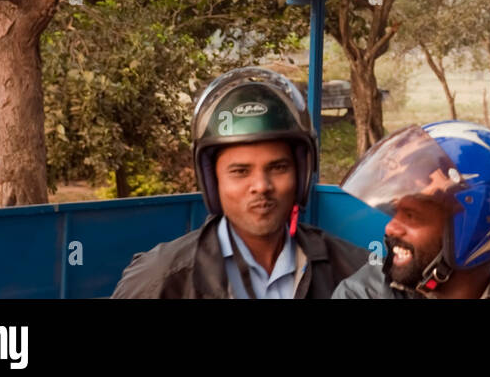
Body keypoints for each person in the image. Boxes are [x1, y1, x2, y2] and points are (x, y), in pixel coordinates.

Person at [112, 66, 367, 298]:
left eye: (278, 167)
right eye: (240, 171)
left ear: (301, 175)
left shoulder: (355, 270)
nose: (261, 186)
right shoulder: (160, 278)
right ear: (213, 181)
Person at [332, 120, 490, 298]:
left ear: (474, 229)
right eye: (396, 211)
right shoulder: (363, 294)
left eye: (412, 215)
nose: (391, 227)